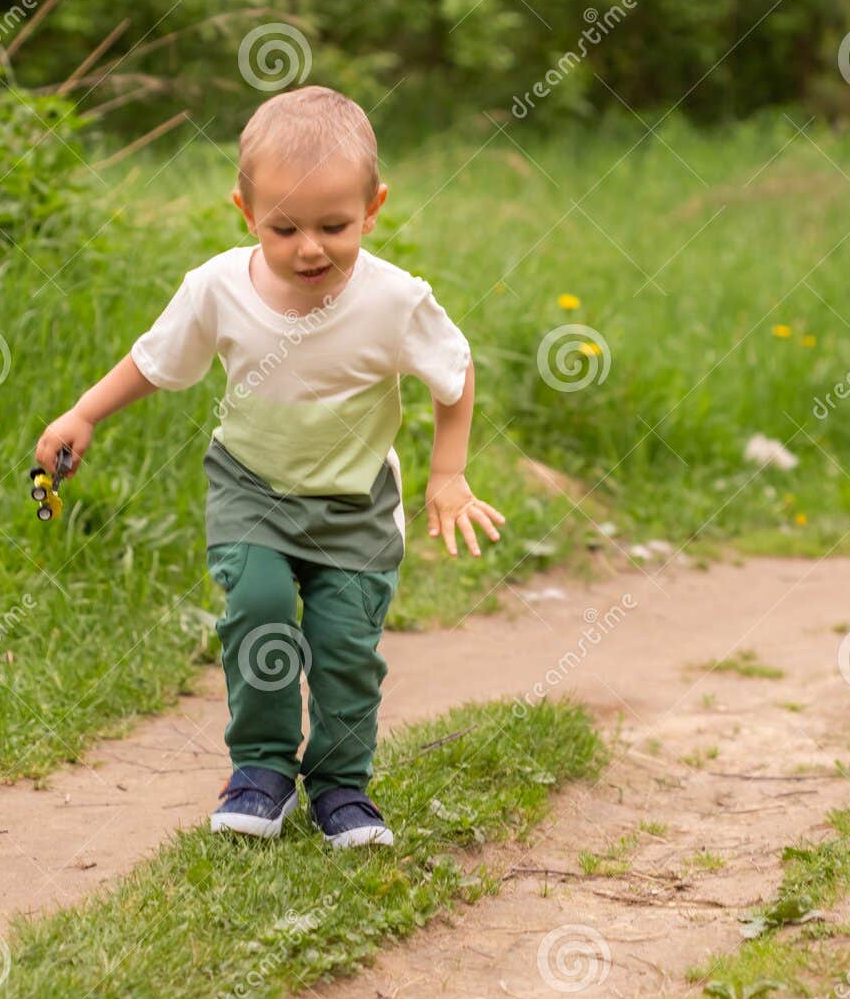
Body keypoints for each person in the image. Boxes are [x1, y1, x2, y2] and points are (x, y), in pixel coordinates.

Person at [33, 85, 504, 848]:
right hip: (251, 487)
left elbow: (455, 373)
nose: (310, 247)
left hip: (354, 503)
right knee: (255, 612)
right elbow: (155, 362)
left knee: (345, 647)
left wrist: (446, 474)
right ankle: (259, 770)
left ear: (374, 208)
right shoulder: (217, 287)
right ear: (244, 211)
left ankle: (342, 785)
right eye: (284, 227)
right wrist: (84, 413)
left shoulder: (394, 300)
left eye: (334, 225)